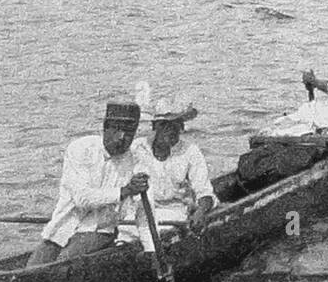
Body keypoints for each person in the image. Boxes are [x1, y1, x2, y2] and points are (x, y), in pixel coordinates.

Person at [26, 100, 149, 268]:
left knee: (58, 270)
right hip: (62, 227)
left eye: (129, 132)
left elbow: (141, 207)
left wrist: (149, 246)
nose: (122, 137)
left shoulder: (135, 160)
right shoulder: (80, 149)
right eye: (117, 129)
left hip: (98, 231)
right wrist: (124, 191)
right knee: (32, 269)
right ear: (105, 127)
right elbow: (82, 198)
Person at [132, 98, 216, 247]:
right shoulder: (138, 148)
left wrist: (200, 211)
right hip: (138, 213)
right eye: (164, 125)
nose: (170, 129)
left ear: (182, 126)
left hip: (173, 214)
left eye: (175, 124)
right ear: (154, 126)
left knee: (159, 236)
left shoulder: (191, 152)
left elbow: (204, 192)